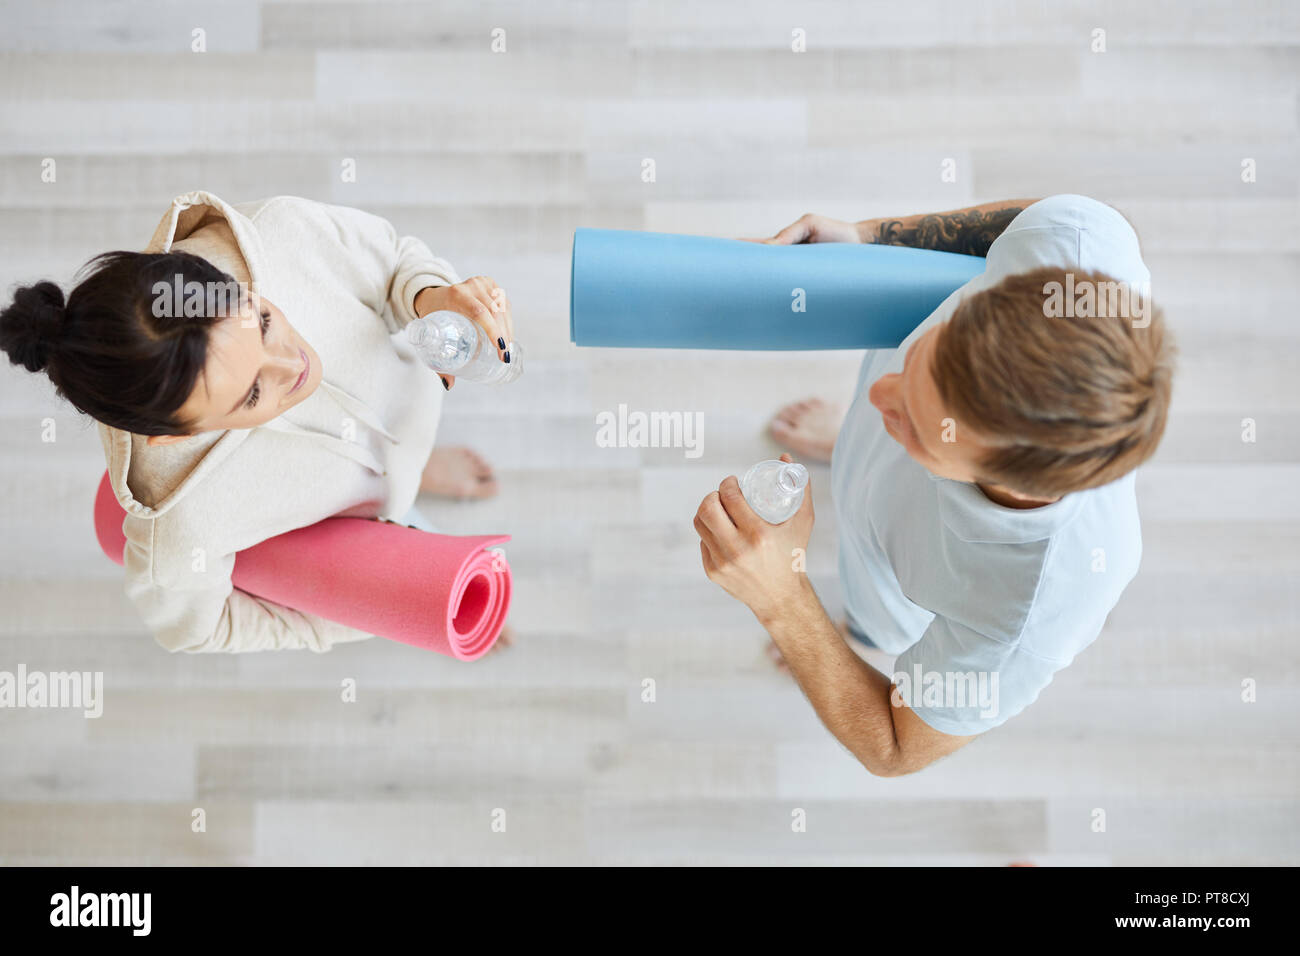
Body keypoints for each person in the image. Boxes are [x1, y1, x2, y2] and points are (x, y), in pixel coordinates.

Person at [695, 195, 1175, 775]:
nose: (878, 398)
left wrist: (783, 602)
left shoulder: (1020, 618)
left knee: (877, 617)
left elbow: (894, 748)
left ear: (1007, 482)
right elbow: (1052, 215)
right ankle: (872, 438)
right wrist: (871, 237)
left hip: (891, 580)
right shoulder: (1076, 256)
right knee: (872, 424)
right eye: (923, 355)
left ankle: (860, 624)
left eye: (915, 427)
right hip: (885, 482)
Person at [0, 191, 511, 653]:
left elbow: (394, 262)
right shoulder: (182, 530)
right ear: (178, 435)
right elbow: (199, 629)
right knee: (426, 546)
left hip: (411, 393)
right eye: (252, 393)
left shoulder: (280, 236)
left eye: (263, 322)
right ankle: (407, 487)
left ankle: (418, 466)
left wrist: (433, 299)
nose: (297, 366)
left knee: (407, 445)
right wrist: (368, 610)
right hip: (367, 521)